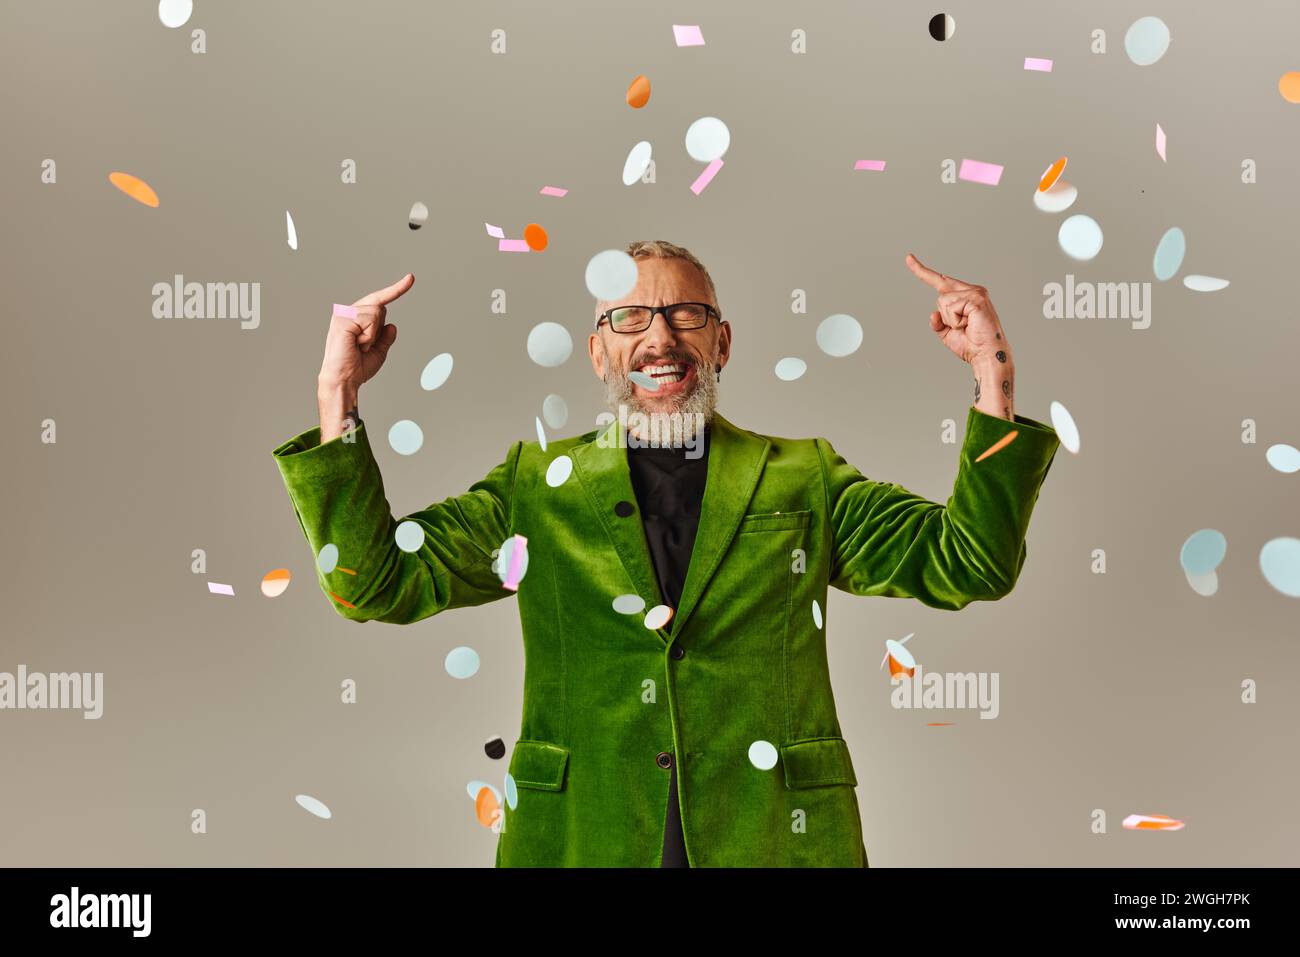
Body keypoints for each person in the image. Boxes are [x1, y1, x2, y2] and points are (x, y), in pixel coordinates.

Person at [271, 240, 1061, 867]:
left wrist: (994, 374)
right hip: (581, 837)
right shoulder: (536, 489)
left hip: (776, 841)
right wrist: (336, 397)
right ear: (597, 351)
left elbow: (971, 562)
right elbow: (370, 583)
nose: (659, 337)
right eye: (630, 319)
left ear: (721, 341)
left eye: (685, 315)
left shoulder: (804, 476)